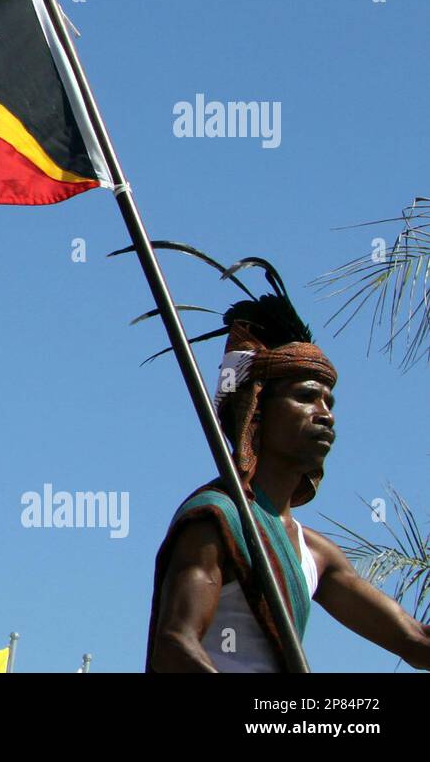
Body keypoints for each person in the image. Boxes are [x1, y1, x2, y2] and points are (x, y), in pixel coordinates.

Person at [145, 253, 430, 671]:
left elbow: (414, 640)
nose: (325, 413)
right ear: (258, 410)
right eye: (305, 397)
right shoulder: (217, 520)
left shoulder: (318, 553)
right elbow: (174, 644)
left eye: (329, 402)